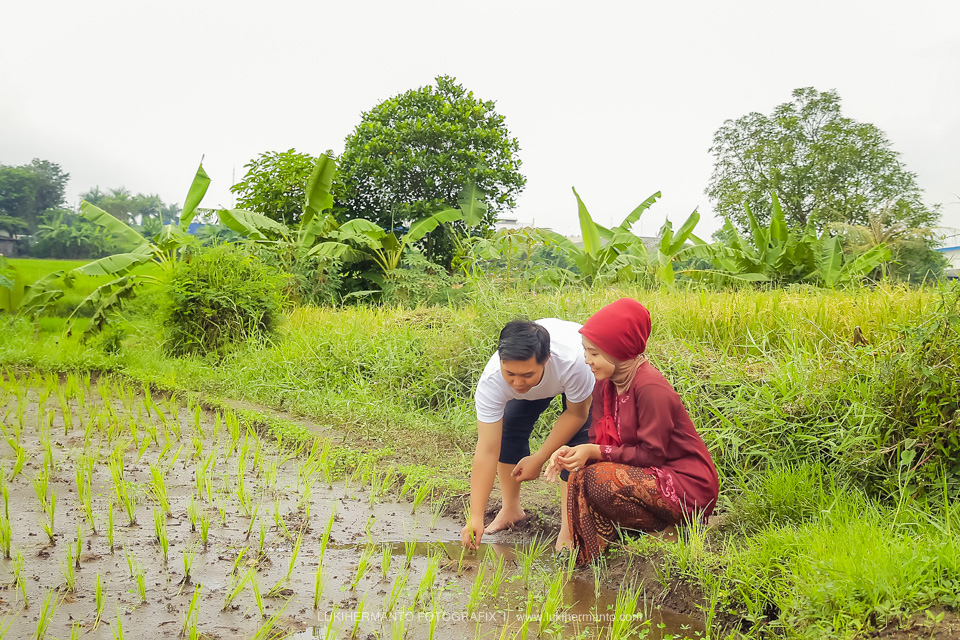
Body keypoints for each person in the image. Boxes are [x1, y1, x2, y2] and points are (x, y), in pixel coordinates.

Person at [545, 298, 719, 565]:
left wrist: (593, 451)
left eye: (594, 353)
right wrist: (571, 454)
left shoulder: (651, 389)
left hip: (686, 485)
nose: (587, 360)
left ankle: (669, 532)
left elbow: (652, 455)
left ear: (619, 351)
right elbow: (596, 442)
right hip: (645, 477)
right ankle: (591, 547)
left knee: (601, 478)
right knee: (580, 473)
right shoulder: (605, 385)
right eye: (585, 351)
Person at [461, 318, 594, 551]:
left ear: (546, 361)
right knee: (509, 428)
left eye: (526, 375)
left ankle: (569, 527)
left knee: (575, 445)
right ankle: (511, 509)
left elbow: (576, 415)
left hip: (572, 381)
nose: (517, 383)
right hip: (547, 379)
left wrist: (540, 457)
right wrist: (475, 515)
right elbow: (487, 450)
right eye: (510, 373)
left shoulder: (574, 361)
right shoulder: (492, 381)